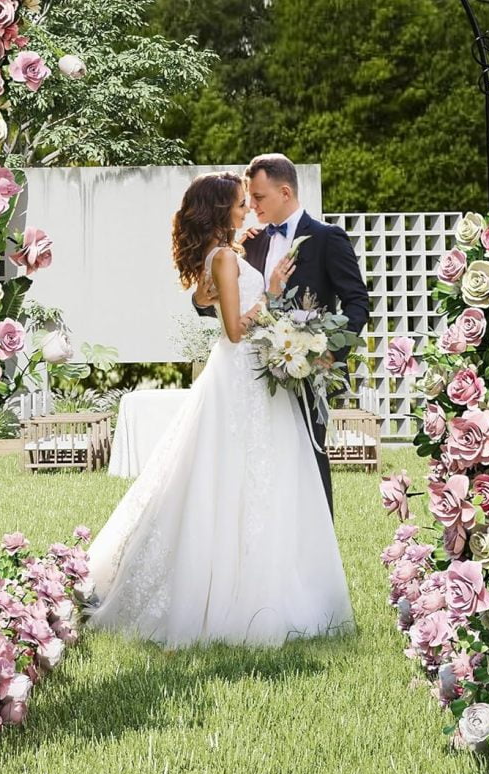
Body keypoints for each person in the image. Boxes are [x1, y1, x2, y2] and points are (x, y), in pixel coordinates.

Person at [85, 171, 354, 647]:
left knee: (245, 473)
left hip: (244, 372)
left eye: (250, 200)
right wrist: (270, 292)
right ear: (218, 209)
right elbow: (234, 329)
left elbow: (207, 299)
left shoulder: (224, 253)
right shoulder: (228, 257)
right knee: (244, 473)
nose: (246, 208)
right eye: (237, 202)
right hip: (243, 368)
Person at [193, 154, 370, 520]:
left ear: (284, 191)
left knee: (309, 460)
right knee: (261, 467)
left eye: (258, 197)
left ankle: (319, 548)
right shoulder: (250, 243)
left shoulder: (327, 238)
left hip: (309, 369)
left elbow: (357, 303)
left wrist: (331, 354)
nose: (251, 205)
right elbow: (221, 303)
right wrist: (202, 296)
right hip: (255, 371)